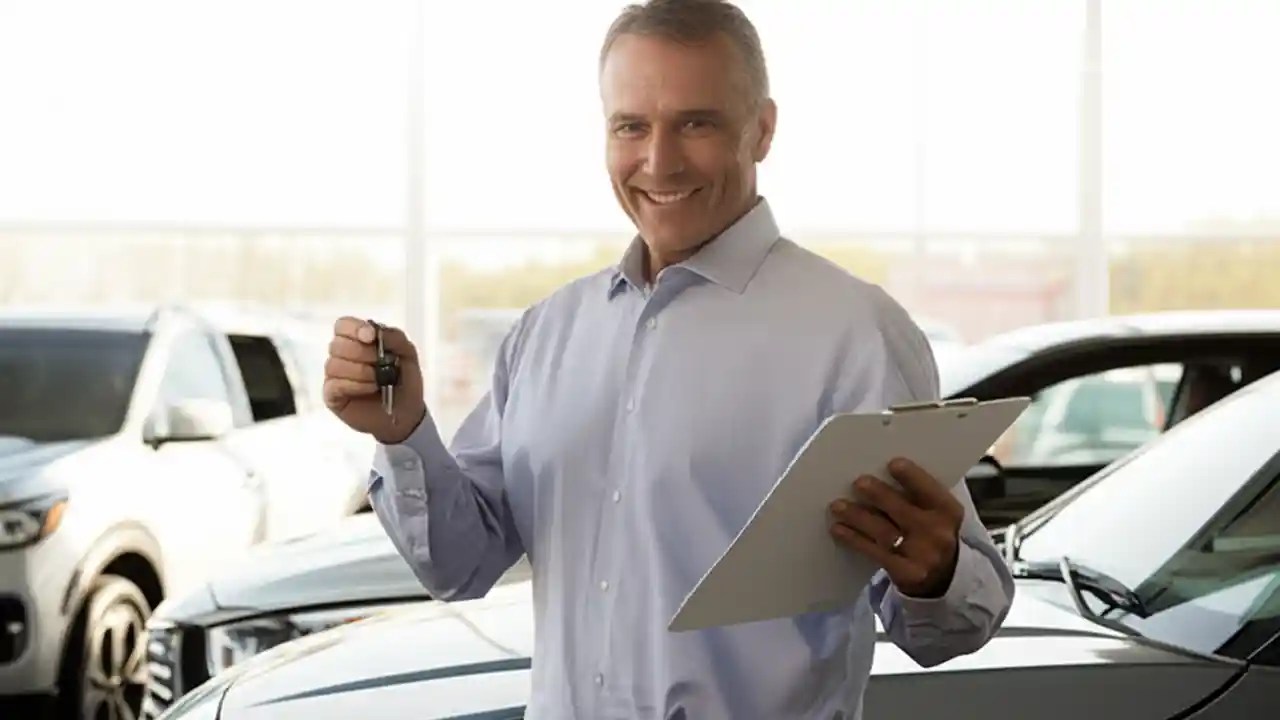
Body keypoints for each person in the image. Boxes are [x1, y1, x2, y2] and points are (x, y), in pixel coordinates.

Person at [323, 1, 1014, 717]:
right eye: (631, 126)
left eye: (696, 122)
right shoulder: (548, 332)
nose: (658, 160)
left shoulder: (854, 334)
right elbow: (461, 566)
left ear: (763, 129)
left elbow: (958, 620)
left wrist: (934, 575)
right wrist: (402, 436)